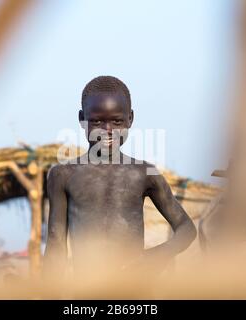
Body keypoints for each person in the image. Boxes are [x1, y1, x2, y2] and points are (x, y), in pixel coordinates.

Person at [43, 76, 196, 282]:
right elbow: (55, 242)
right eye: (97, 121)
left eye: (117, 121)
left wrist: (158, 254)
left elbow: (186, 229)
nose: (108, 130)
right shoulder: (62, 174)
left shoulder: (145, 172)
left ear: (130, 119)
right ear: (82, 118)